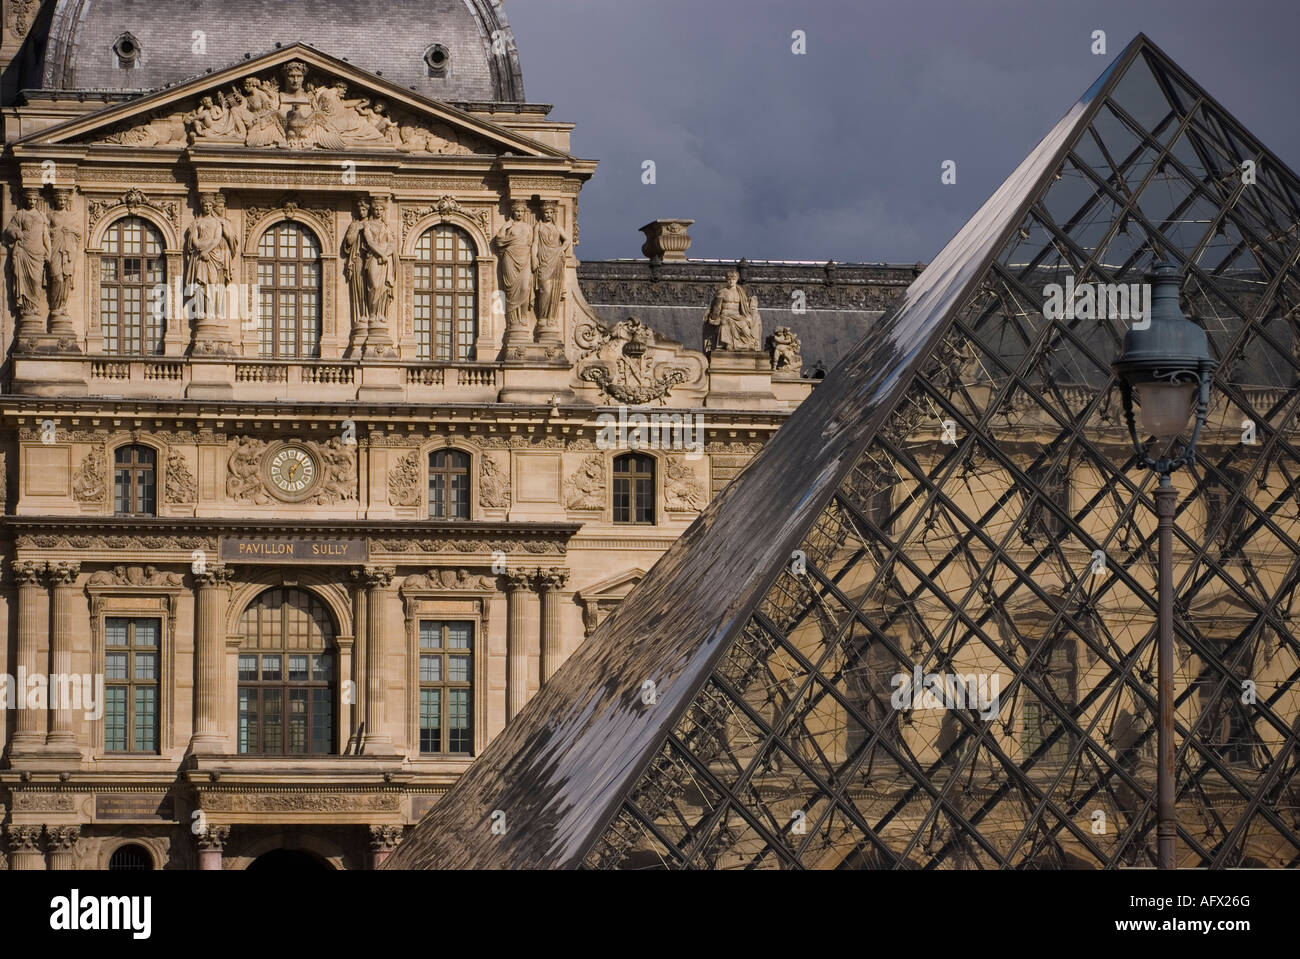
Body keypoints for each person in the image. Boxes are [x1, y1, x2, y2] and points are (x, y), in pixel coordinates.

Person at [3, 188, 49, 320]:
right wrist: (16, 232)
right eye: (30, 199)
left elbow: (45, 235)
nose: (32, 202)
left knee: (36, 280)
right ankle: (28, 309)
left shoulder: (41, 216)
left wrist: (48, 251)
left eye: (34, 199)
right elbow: (9, 229)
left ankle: (34, 306)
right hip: (24, 250)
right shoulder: (20, 214)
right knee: (23, 278)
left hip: (37, 252)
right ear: (25, 200)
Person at [704, 269, 760, 352]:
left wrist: (748, 316)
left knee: (746, 328)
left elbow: (744, 308)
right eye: (729, 279)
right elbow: (717, 308)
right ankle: (728, 344)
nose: (731, 281)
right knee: (725, 322)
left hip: (738, 317)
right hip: (725, 316)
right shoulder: (722, 292)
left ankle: (748, 344)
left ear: (737, 279)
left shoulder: (740, 292)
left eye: (733, 279)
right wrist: (714, 317)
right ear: (726, 279)